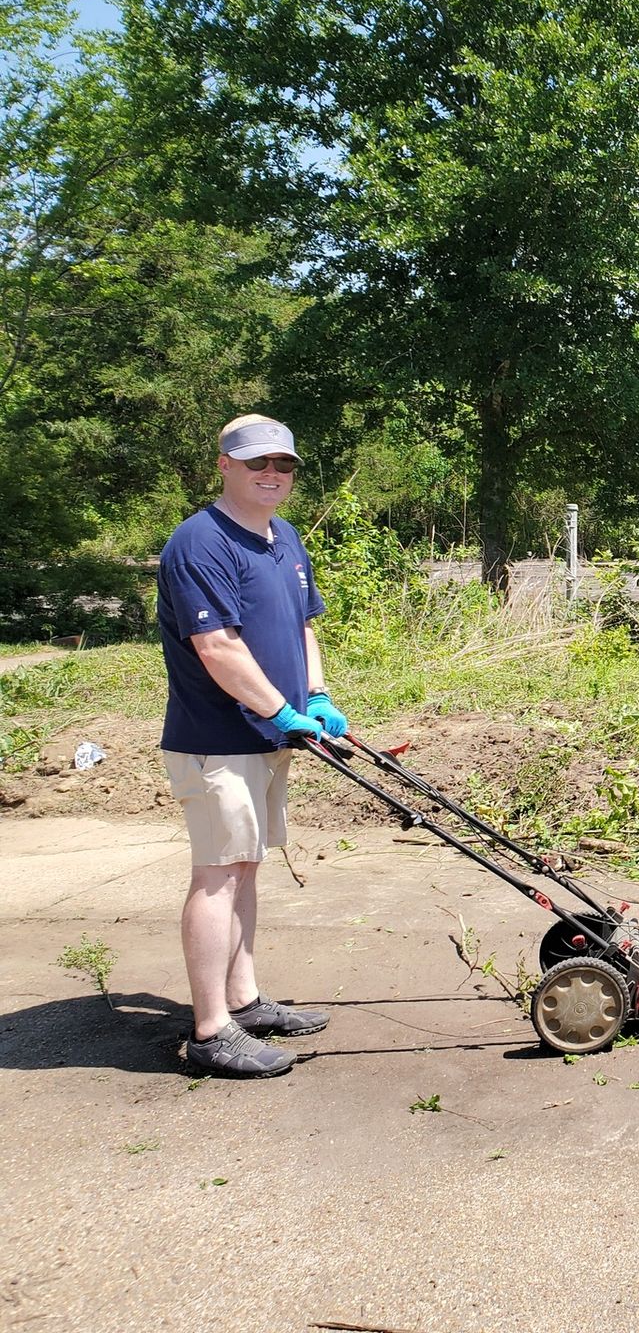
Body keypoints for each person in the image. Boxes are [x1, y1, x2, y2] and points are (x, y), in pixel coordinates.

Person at [156, 415, 348, 1077]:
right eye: (257, 462)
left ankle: (245, 1000)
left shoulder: (284, 537)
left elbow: (303, 627)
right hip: (217, 740)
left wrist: (315, 697)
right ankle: (211, 1030)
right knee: (218, 872)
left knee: (247, 865)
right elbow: (216, 646)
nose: (273, 473)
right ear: (225, 465)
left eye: (284, 464)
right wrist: (282, 710)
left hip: (269, 736)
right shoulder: (200, 543)